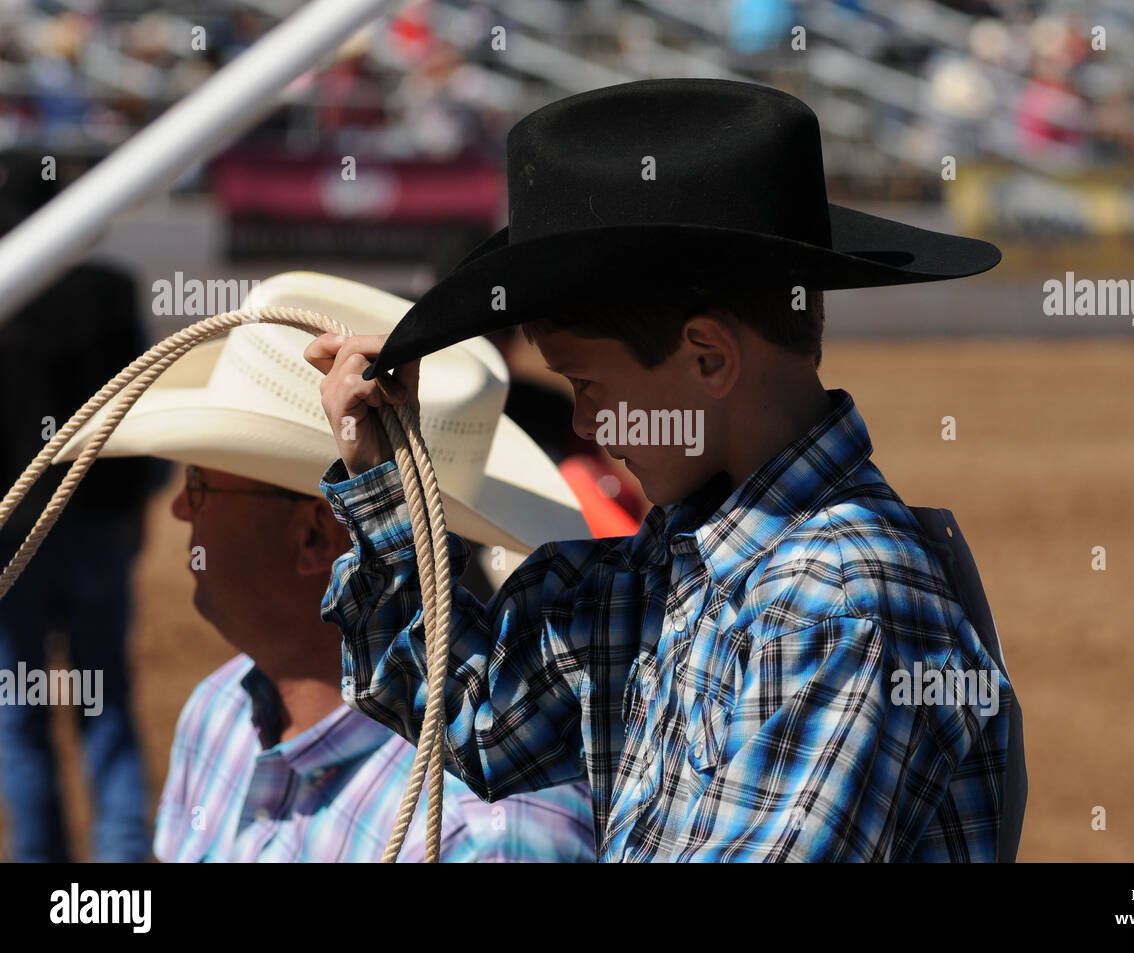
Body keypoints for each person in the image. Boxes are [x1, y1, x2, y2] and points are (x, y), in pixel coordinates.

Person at [308, 78, 1026, 862]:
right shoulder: (664, 570)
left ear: (709, 358)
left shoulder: (840, 602)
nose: (582, 423)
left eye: (588, 386)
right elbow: (476, 716)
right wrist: (382, 477)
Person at [49, 271, 597, 861]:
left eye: (201, 485)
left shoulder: (490, 837)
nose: (182, 509)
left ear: (312, 535)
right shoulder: (218, 711)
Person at [0, 152, 163, 862]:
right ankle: (121, 871)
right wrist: (138, 506)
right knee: (107, 706)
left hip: (11, 538)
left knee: (20, 717)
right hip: (99, 526)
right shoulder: (109, 288)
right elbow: (143, 414)